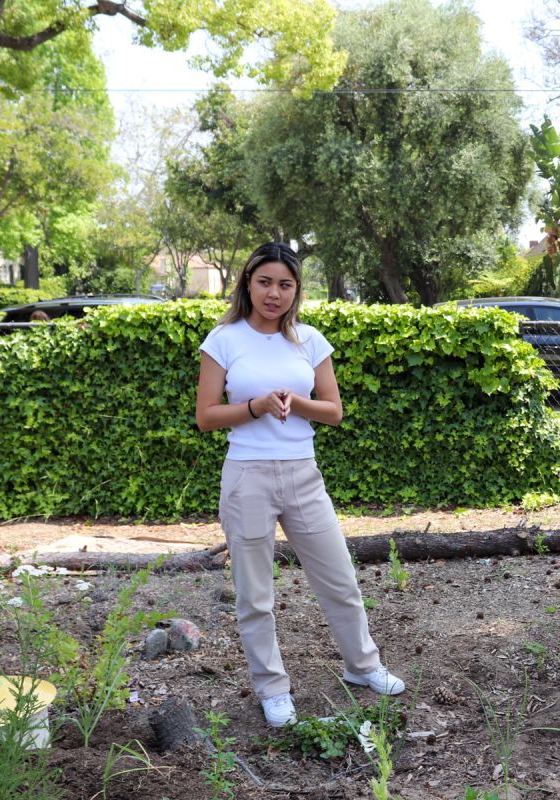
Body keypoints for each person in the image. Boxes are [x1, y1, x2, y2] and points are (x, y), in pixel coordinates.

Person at [195, 241, 404, 728]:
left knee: (340, 580)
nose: (274, 293)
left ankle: (363, 666)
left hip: (303, 474)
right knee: (255, 594)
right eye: (265, 282)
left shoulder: (309, 340)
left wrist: (295, 401)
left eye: (284, 285)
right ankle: (272, 688)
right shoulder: (223, 340)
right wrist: (257, 406)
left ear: (296, 291)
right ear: (248, 283)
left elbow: (333, 411)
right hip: (247, 475)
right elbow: (206, 417)